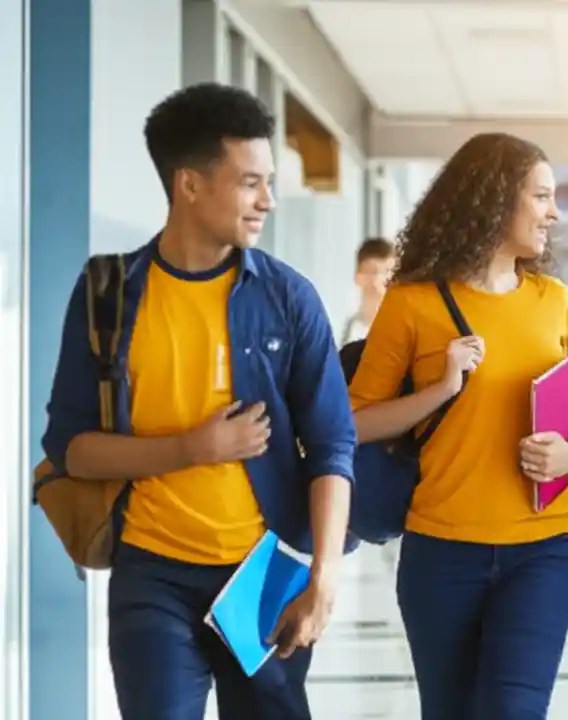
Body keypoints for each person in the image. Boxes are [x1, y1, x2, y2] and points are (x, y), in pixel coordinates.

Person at [41, 82, 354, 719]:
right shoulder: (111, 295)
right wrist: (192, 449)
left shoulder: (288, 299)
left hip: (262, 574)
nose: (267, 200)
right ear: (189, 184)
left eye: (269, 181)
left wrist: (324, 577)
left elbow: (331, 445)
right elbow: (70, 448)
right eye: (249, 182)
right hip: (151, 575)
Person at [348, 132, 568, 720]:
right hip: (442, 552)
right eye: (540, 196)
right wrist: (441, 389)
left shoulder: (553, 300)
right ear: (495, 200)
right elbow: (356, 422)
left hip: (540, 550)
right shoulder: (412, 303)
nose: (554, 212)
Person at [341, 237, 396, 344]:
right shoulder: (352, 330)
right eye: (371, 271)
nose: (376, 280)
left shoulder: (404, 328)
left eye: (385, 272)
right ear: (357, 276)